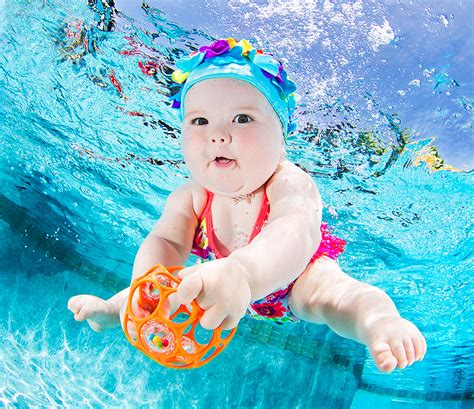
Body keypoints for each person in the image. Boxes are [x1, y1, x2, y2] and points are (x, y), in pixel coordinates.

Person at [68, 38, 426, 373]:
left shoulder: (289, 182)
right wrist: (147, 288)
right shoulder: (190, 196)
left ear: (281, 139)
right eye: (200, 120)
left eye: (242, 118)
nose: (218, 134)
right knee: (173, 282)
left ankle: (378, 321)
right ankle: (120, 308)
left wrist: (243, 273)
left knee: (327, 296)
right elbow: (167, 244)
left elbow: (294, 231)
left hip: (293, 277)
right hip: (225, 285)